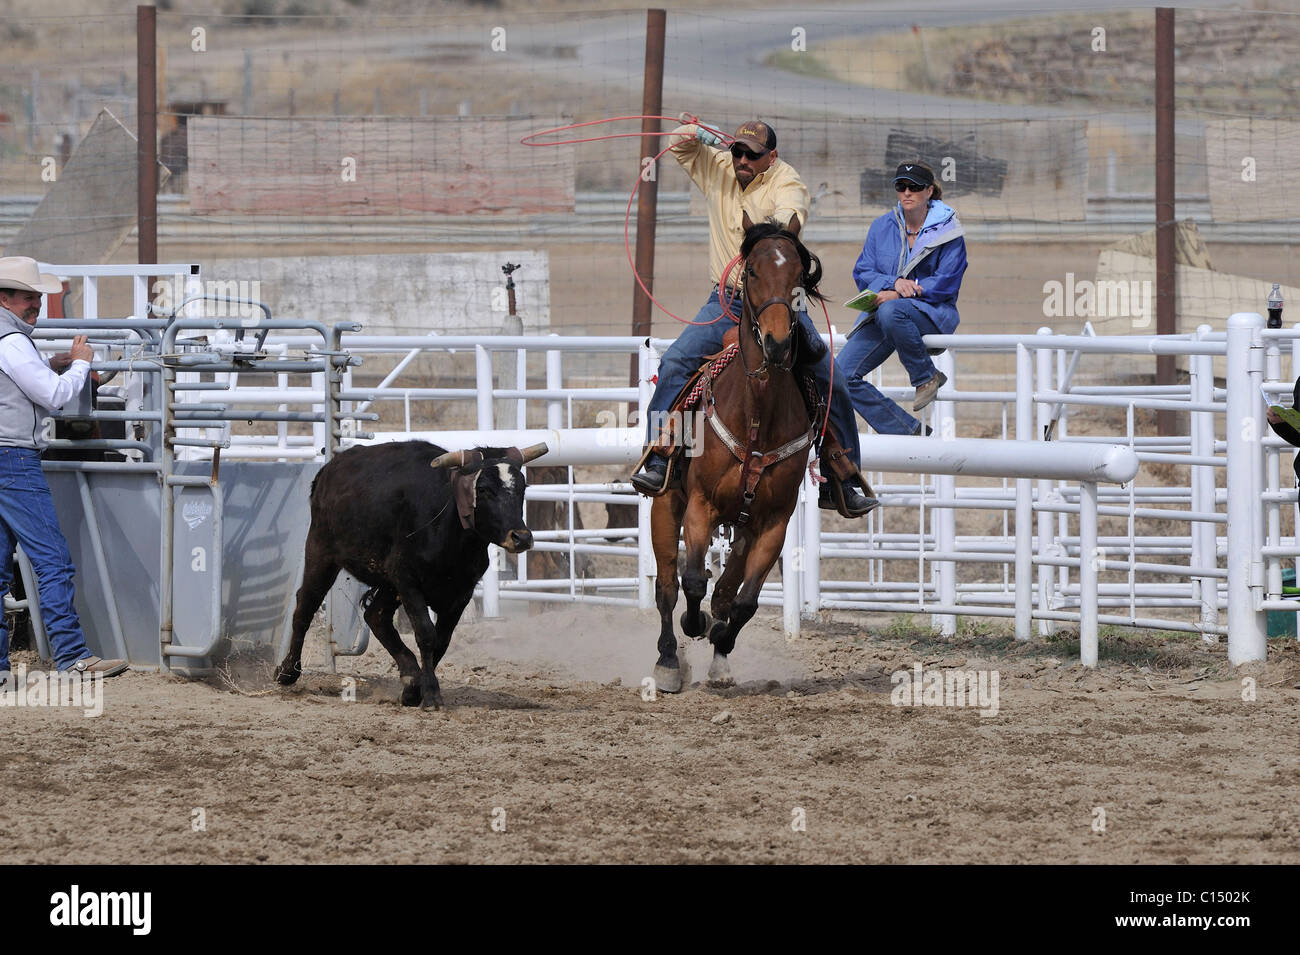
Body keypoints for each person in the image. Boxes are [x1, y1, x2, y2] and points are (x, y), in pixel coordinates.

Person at [630, 117, 876, 516]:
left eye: (752, 154)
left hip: (778, 299)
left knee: (831, 379)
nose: (742, 159)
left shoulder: (787, 181)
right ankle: (660, 456)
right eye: (738, 151)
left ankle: (843, 476)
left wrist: (766, 237)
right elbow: (677, 145)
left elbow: (788, 218)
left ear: (771, 157)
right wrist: (699, 131)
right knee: (675, 362)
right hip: (725, 301)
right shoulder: (719, 167)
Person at [0, 256, 128, 685]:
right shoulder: (12, 343)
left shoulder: (11, 341)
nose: (36, 304)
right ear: (5, 299)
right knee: (52, 559)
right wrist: (79, 364)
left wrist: (51, 365)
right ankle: (72, 655)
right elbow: (54, 397)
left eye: (37, 296)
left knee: (1, 569)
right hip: (14, 459)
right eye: (28, 297)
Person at [835, 161, 967, 436]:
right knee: (840, 375)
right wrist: (893, 283)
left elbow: (948, 281)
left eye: (915, 187)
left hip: (931, 312)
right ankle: (910, 433)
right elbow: (862, 271)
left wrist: (909, 289)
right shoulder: (881, 226)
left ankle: (925, 376)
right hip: (885, 313)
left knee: (892, 311)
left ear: (930, 191)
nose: (907, 192)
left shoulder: (949, 229)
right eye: (901, 186)